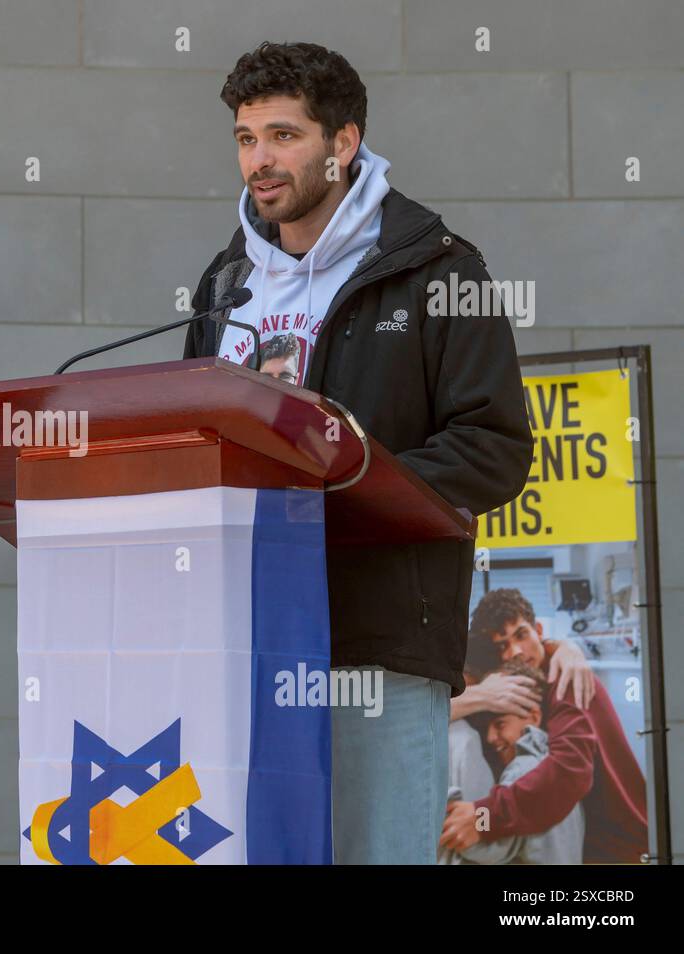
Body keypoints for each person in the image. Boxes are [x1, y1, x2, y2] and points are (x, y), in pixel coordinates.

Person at [183, 41, 534, 863]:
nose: (259, 161)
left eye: (282, 136)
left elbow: (494, 447)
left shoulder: (438, 270)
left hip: (379, 640)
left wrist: (350, 486)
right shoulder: (225, 284)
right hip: (241, 638)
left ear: (343, 144)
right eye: (244, 139)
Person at [441, 589, 648, 864]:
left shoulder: (566, 678)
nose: (515, 652)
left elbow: (569, 771)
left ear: (538, 629)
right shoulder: (524, 684)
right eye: (502, 645)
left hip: (617, 848)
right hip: (587, 843)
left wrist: (484, 816)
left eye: (521, 635)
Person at [440, 660, 584, 865]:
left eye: (500, 724)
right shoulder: (550, 769)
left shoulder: (524, 770)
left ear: (534, 717)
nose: (490, 737)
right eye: (487, 727)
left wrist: (451, 804)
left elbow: (493, 849)